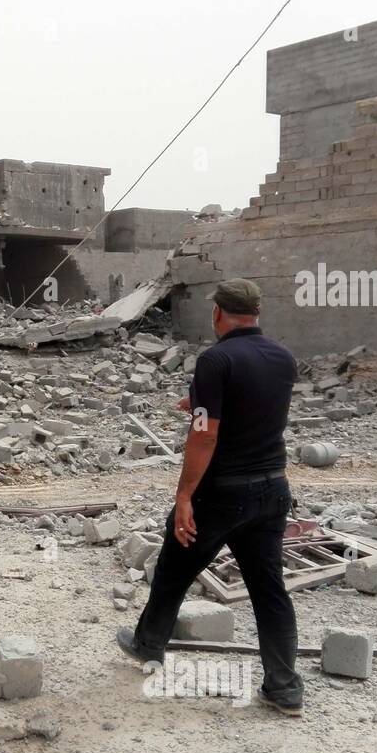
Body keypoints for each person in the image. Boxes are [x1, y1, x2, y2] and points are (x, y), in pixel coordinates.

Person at [117, 278, 304, 716]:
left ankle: (148, 645)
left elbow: (206, 435)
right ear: (256, 314)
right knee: (269, 589)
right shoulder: (283, 358)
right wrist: (201, 400)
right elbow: (255, 405)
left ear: (218, 313)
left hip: (221, 492)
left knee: (174, 568)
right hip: (272, 488)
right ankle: (284, 687)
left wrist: (184, 495)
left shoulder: (215, 359)